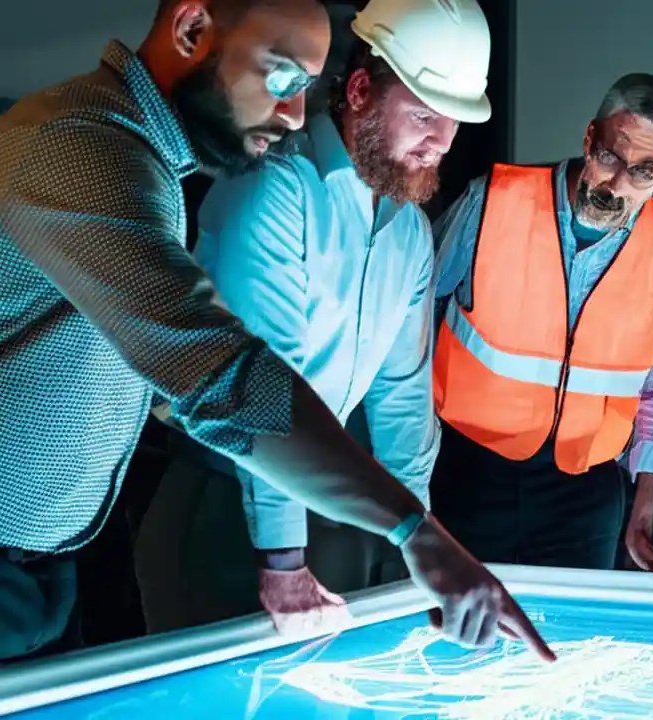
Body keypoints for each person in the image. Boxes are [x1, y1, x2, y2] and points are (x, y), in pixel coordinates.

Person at [0, 0, 550, 663]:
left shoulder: (141, 163)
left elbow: (398, 398)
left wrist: (416, 529)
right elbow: (222, 374)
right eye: (283, 77)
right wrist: (414, 532)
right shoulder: (82, 148)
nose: (293, 114)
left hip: (54, 556)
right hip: (183, 505)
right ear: (192, 29)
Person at [134, 0, 492, 635]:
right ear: (358, 91)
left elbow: (403, 399)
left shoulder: (409, 232)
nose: (439, 141)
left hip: (315, 496)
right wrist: (282, 556)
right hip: (219, 499)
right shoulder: (273, 187)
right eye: (423, 114)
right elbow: (262, 381)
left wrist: (424, 542)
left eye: (454, 121)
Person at [431, 73, 653, 572]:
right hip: (466, 472)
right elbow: (410, 321)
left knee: (568, 644)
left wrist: (641, 519)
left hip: (584, 494)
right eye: (610, 158)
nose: (618, 185)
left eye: (644, 172)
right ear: (589, 138)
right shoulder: (492, 201)